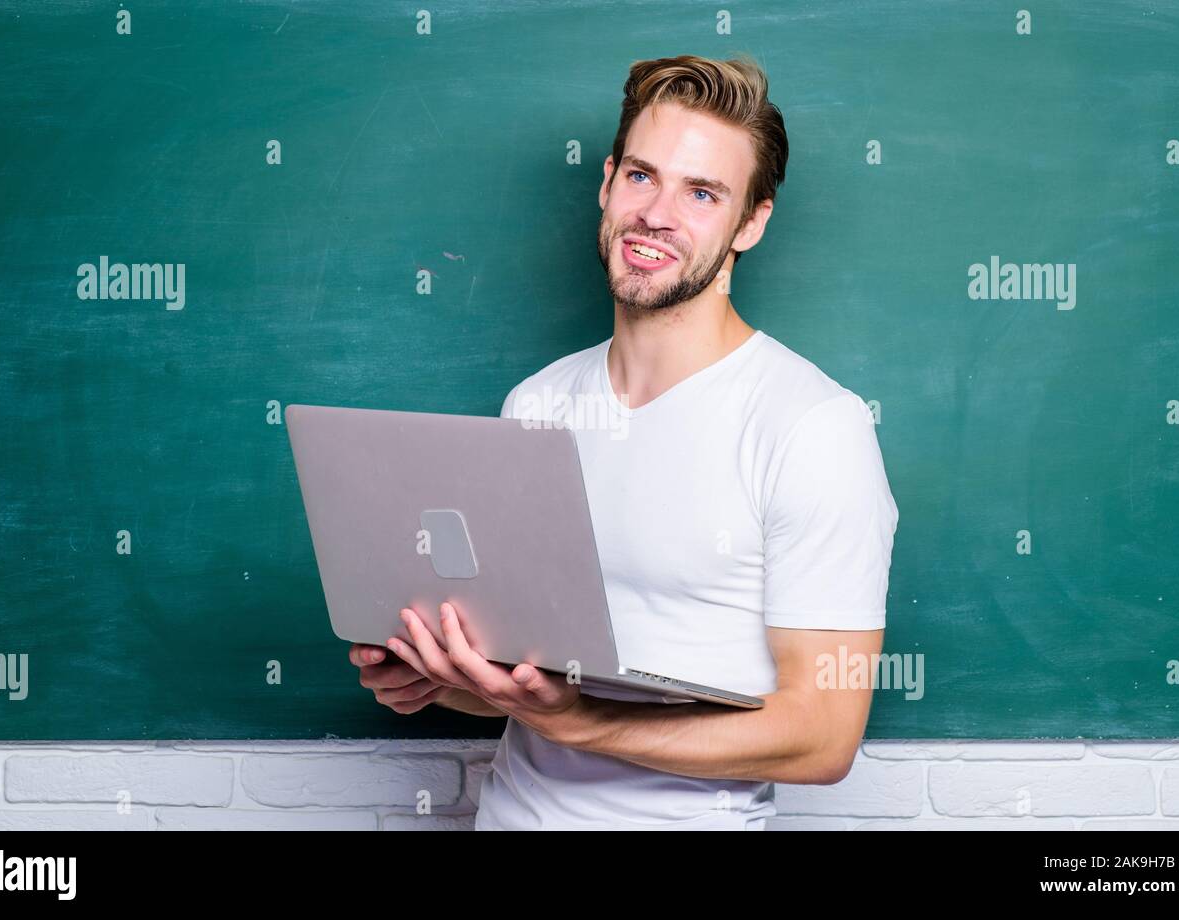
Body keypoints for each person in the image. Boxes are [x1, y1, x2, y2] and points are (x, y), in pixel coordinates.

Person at [350, 53, 899, 830]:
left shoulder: (812, 426)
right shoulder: (536, 404)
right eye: (642, 177)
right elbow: (523, 680)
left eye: (702, 193)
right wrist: (443, 680)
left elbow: (823, 737)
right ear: (607, 183)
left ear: (751, 222)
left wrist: (583, 723)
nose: (657, 213)